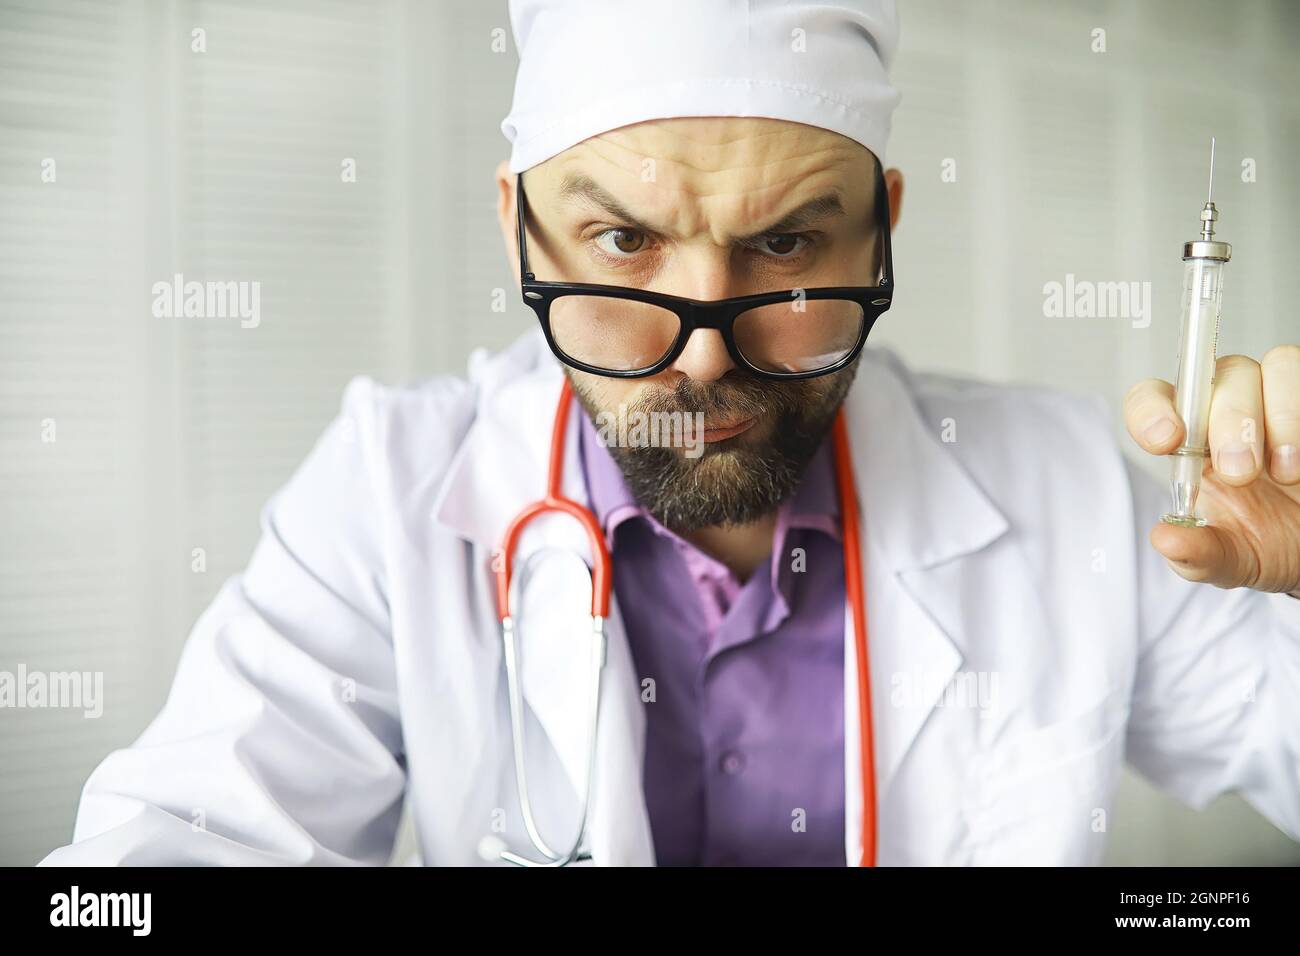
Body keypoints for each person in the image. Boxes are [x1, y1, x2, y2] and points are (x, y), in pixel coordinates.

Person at [42, 0, 1300, 866]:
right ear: (517, 227)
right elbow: (172, 848)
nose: (705, 348)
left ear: (884, 229)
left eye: (790, 242)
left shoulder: (1079, 493)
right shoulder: (386, 491)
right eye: (624, 241)